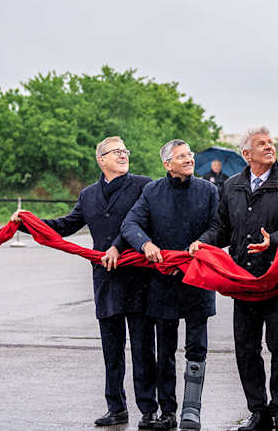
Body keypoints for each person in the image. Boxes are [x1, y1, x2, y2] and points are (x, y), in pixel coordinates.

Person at [10, 136, 155, 428]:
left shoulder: (144, 185)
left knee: (143, 350)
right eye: (116, 152)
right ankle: (116, 408)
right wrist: (26, 223)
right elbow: (65, 226)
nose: (123, 155)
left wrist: (119, 246)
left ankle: (149, 410)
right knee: (111, 351)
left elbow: (143, 223)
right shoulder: (89, 195)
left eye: (125, 151)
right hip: (105, 281)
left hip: (138, 279)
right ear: (101, 159)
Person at [190, 127, 278, 431]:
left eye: (271, 142)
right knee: (247, 349)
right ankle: (258, 411)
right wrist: (203, 242)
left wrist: (272, 240)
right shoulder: (232, 186)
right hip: (244, 281)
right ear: (247, 154)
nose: (270, 147)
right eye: (262, 144)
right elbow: (221, 228)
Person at [122, 139, 219, 431]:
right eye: (181, 156)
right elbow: (130, 225)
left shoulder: (208, 190)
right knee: (164, 352)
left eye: (190, 154)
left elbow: (218, 227)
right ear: (167, 164)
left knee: (196, 349)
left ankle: (191, 410)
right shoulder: (152, 191)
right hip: (162, 285)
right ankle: (167, 412)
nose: (189, 159)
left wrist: (202, 243)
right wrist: (145, 244)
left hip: (198, 281)